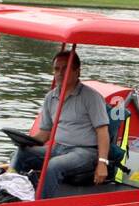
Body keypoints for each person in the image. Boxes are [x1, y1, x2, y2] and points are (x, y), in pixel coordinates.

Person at [10, 50, 111, 196]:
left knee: (53, 165)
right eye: (57, 69)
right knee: (20, 154)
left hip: (84, 152)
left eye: (65, 68)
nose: (60, 73)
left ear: (77, 71)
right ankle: (8, 194)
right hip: (57, 148)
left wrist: (102, 163)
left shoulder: (91, 97)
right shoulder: (51, 97)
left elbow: (102, 131)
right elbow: (45, 133)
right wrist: (24, 141)